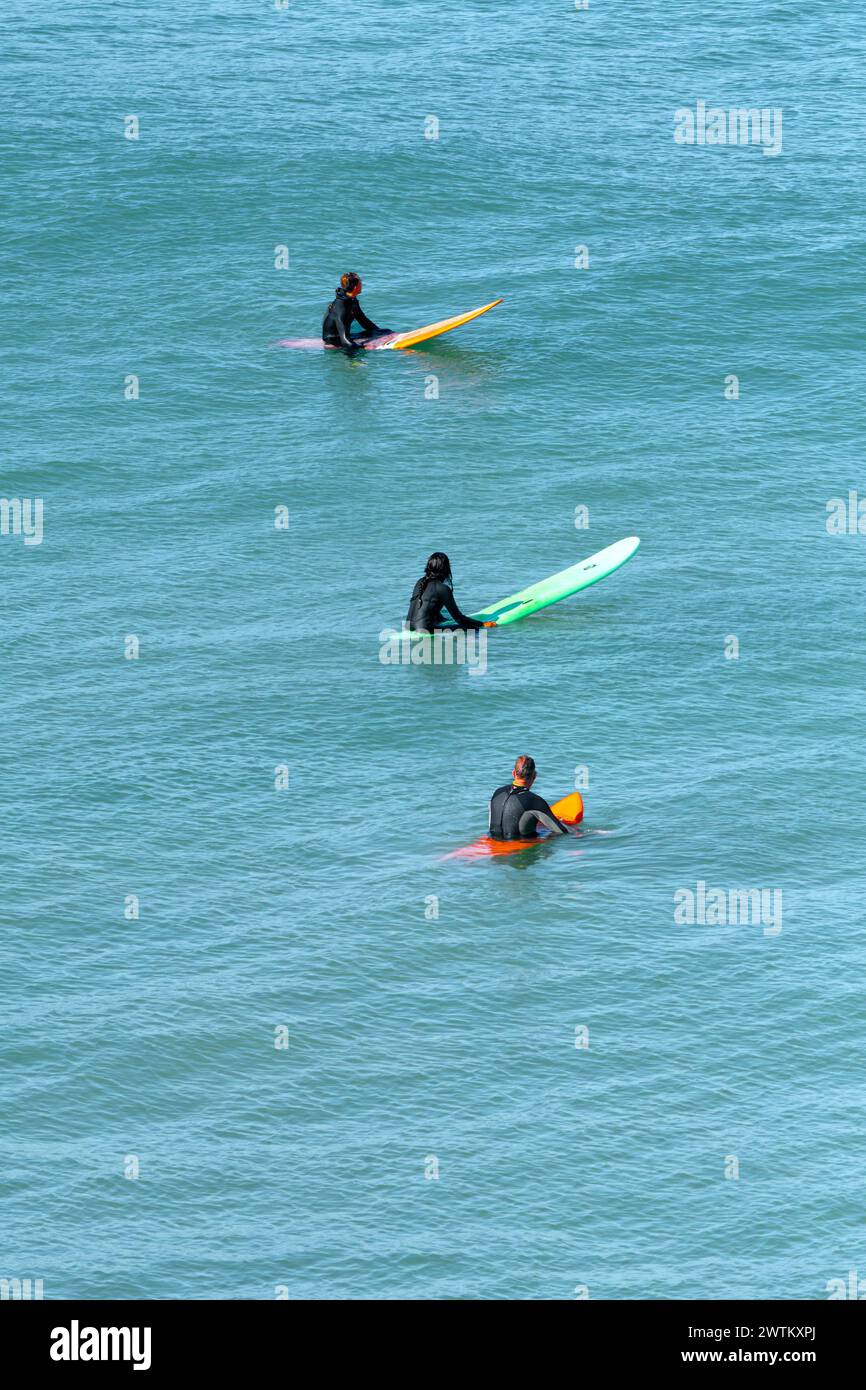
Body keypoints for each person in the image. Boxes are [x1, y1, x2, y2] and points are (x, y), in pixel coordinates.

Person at [488, 756, 573, 840]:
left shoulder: (497, 792)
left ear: (513, 773)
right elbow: (561, 831)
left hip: (492, 842)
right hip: (516, 848)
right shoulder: (535, 801)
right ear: (535, 775)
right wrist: (580, 832)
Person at [406, 552, 493, 633]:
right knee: (472, 629)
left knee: (439, 615)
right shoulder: (442, 589)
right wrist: (482, 624)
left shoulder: (420, 582)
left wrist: (444, 620)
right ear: (446, 569)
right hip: (425, 630)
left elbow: (427, 607)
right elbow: (459, 618)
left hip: (408, 627)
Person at [322, 272, 391, 352]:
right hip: (334, 340)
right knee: (352, 349)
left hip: (345, 336)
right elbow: (345, 341)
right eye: (360, 282)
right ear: (355, 287)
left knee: (386, 331)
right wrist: (362, 347)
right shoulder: (341, 307)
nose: (362, 284)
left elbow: (363, 321)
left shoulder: (352, 300)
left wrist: (381, 333)